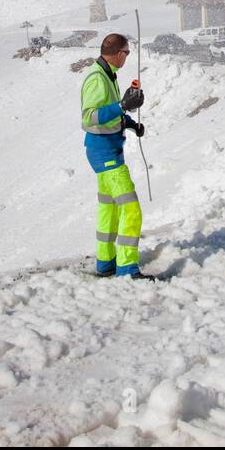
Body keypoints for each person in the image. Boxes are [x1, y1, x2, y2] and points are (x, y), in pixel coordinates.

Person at [80, 33, 146, 278]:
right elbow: (89, 117)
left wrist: (129, 121)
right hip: (104, 152)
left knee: (109, 209)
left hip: (105, 150)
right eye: (127, 53)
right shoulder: (97, 78)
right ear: (119, 53)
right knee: (131, 209)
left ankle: (106, 262)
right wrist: (121, 106)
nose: (127, 57)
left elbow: (111, 112)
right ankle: (128, 268)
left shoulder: (108, 75)